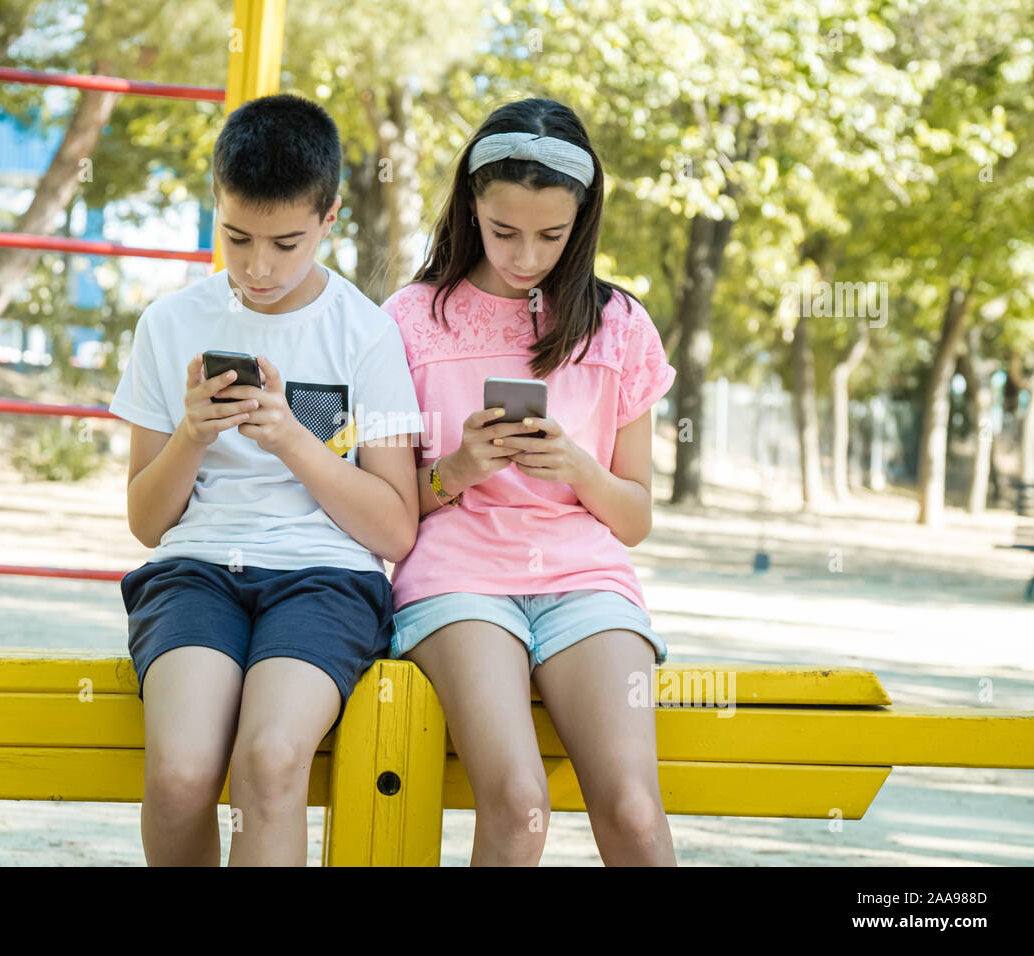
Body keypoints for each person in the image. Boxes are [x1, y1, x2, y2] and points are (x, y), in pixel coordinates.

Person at [109, 93, 422, 866]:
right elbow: (147, 523)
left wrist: (292, 440)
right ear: (214, 202)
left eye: (286, 243)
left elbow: (394, 528)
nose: (257, 267)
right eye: (236, 236)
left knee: (271, 763)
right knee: (180, 774)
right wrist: (191, 434)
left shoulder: (366, 334)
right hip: (196, 572)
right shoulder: (170, 322)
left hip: (326, 579)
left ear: (329, 219)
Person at [380, 97, 679, 866]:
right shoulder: (409, 321)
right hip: (458, 579)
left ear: (583, 219)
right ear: (469, 207)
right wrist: (454, 471)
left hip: (586, 578)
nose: (526, 255)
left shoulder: (619, 326)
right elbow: (375, 512)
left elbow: (636, 516)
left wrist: (579, 467)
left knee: (637, 812)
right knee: (519, 807)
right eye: (503, 230)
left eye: (552, 235)